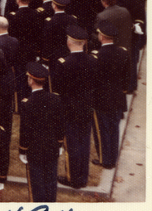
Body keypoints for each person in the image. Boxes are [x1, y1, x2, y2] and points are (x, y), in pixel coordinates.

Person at [55, 25, 98, 189]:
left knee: (72, 144)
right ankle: (83, 176)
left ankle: (74, 178)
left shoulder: (64, 63)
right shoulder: (92, 61)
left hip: (69, 109)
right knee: (85, 142)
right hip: (87, 107)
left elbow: (58, 90)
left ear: (69, 42)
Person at [19, 62, 63, 202]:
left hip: (35, 149)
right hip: (52, 146)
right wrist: (60, 143)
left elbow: (25, 130)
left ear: (31, 80)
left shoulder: (27, 103)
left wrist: (22, 150)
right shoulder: (55, 98)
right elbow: (60, 124)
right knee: (51, 180)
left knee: (36, 182)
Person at [91, 21, 130, 170]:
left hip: (101, 98)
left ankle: (105, 159)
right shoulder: (123, 52)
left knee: (102, 130)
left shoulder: (97, 56)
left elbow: (94, 79)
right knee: (114, 128)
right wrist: (123, 92)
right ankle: (112, 158)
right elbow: (127, 77)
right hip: (118, 96)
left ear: (102, 37)